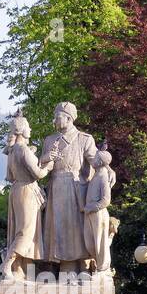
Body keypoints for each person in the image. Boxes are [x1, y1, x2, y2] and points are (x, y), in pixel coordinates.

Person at [39, 101, 98, 273]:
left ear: (68, 118)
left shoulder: (84, 139)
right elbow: (42, 166)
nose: (55, 120)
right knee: (59, 232)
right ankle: (66, 269)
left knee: (76, 231)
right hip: (56, 187)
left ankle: (81, 268)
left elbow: (96, 162)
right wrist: (45, 158)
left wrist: (105, 172)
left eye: (58, 116)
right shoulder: (49, 140)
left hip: (75, 188)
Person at [0, 116, 50, 281]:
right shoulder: (22, 149)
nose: (31, 130)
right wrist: (49, 164)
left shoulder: (13, 150)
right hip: (26, 191)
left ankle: (18, 269)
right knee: (25, 233)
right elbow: (38, 173)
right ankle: (7, 266)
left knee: (20, 231)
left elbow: (12, 174)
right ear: (21, 130)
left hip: (17, 190)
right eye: (28, 126)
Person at [83, 148, 116, 279]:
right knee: (90, 243)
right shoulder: (96, 175)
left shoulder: (103, 177)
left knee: (100, 242)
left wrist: (91, 207)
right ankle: (98, 266)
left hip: (98, 213)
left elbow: (106, 200)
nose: (93, 159)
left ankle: (103, 269)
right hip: (90, 213)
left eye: (96, 158)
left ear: (101, 161)